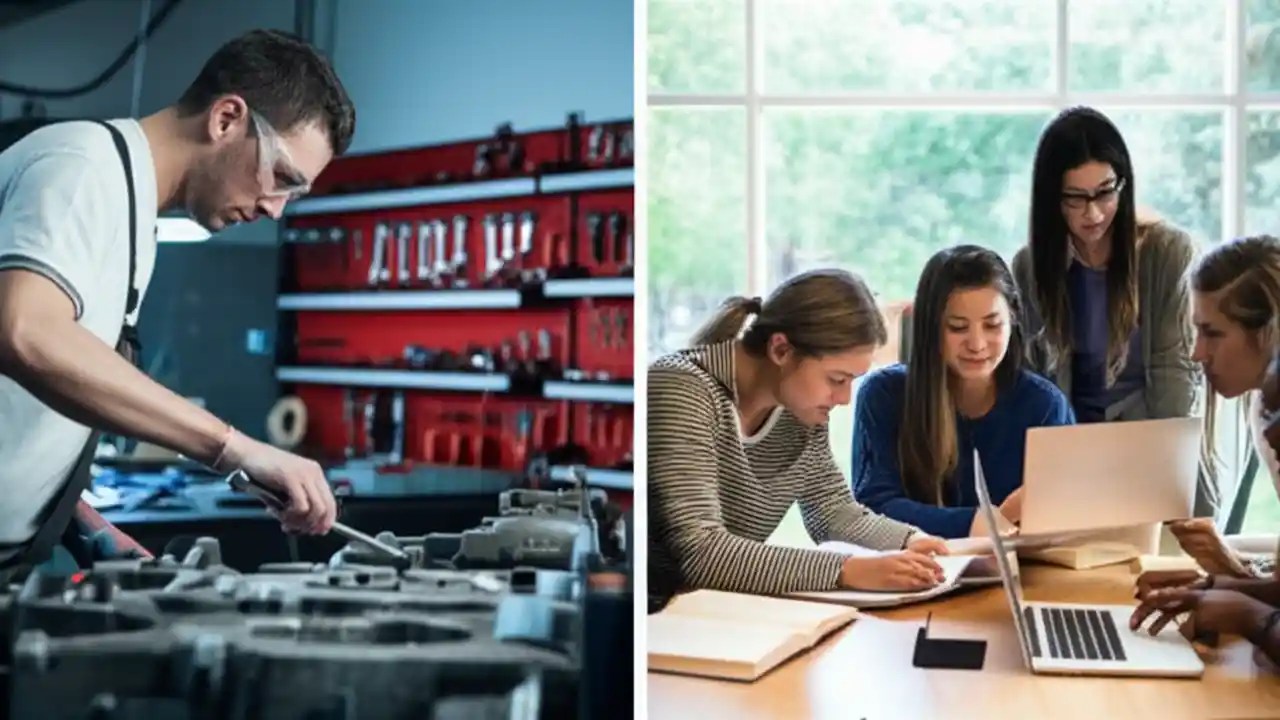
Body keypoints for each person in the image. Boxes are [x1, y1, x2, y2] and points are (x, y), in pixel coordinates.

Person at [0, 29, 354, 575]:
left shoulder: (134, 212)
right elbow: (27, 333)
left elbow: (36, 407)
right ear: (226, 119)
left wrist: (92, 532)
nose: (276, 209)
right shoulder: (83, 168)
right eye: (281, 178)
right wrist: (235, 449)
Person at [647, 269, 950, 609]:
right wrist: (849, 570)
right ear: (780, 349)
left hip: (716, 615)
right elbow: (702, 553)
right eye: (837, 379)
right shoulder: (681, 388)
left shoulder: (800, 410)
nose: (845, 398)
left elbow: (832, 514)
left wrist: (913, 541)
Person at [1010, 106, 1217, 516]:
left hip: (1155, 442)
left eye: (1105, 192)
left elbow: (1174, 372)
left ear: (1124, 185)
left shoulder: (1166, 253)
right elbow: (1036, 387)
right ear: (1052, 198)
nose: (1093, 213)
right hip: (1071, 451)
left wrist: (1158, 472)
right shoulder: (1030, 267)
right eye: (1076, 198)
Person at [852, 246, 1074, 539]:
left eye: (992, 325)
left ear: (1013, 320)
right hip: (917, 571)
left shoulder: (1043, 403)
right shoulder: (884, 395)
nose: (977, 344)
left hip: (1020, 572)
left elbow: (1070, 506)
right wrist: (978, 522)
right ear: (930, 328)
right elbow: (874, 508)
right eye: (958, 328)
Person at [1130, 235, 1280, 665]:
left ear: (1269, 332)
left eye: (1212, 333)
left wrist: (1246, 614)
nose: (1197, 353)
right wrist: (1207, 588)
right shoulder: (1262, 408)